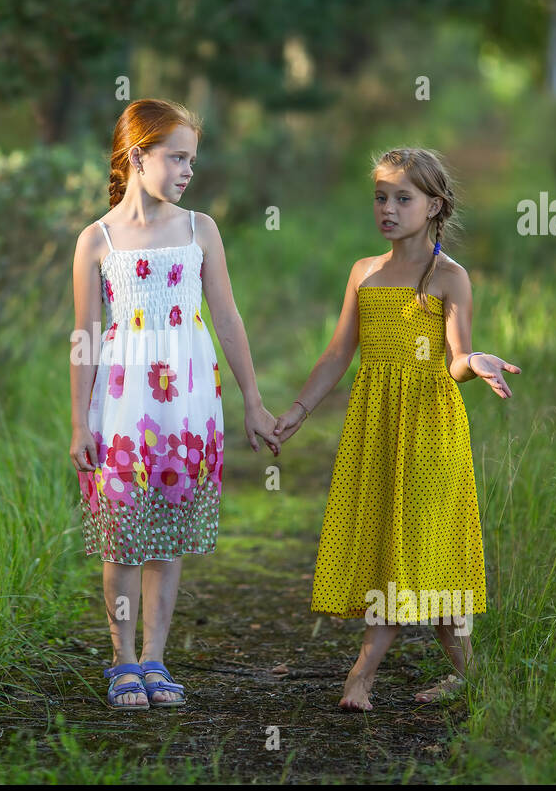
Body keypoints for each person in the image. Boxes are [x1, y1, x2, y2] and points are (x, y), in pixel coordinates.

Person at [273, 147, 520, 710]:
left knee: (423, 549)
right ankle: (472, 677)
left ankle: (362, 674)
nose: (388, 208)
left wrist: (474, 362)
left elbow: (455, 358)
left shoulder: (450, 278)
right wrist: (298, 410)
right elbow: (339, 353)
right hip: (374, 427)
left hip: (430, 430)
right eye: (381, 197)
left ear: (434, 205)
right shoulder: (365, 272)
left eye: (402, 198)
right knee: (397, 549)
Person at [69, 98, 280, 710]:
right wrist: (78, 420)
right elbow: (84, 337)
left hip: (186, 402)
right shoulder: (97, 239)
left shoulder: (199, 229)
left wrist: (253, 401)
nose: (188, 170)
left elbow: (228, 317)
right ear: (138, 155)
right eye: (177, 157)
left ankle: (156, 659)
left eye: (193, 158)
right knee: (123, 536)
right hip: (124, 400)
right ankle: (122, 661)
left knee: (165, 538)